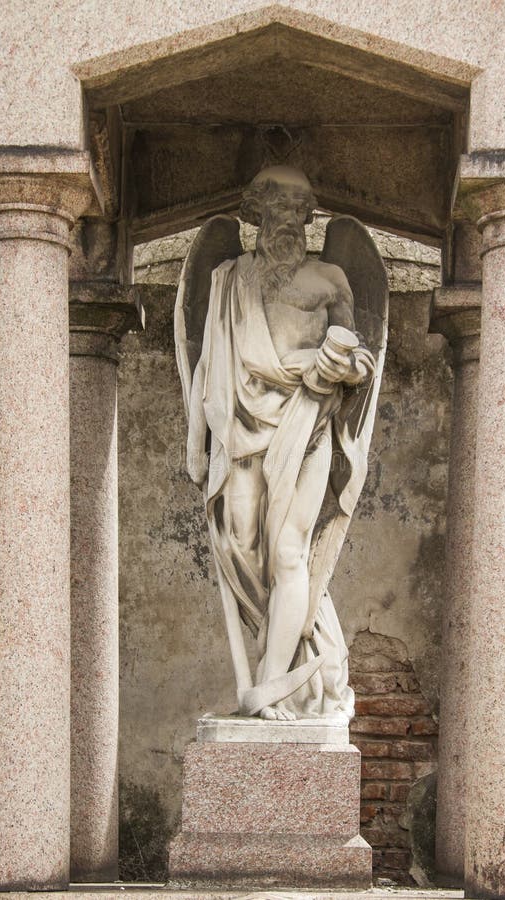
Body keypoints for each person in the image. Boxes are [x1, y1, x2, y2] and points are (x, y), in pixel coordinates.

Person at [186, 166, 377, 720]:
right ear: (257, 212)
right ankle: (305, 656)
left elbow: (359, 358)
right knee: (239, 543)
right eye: (279, 205)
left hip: (309, 421)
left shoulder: (330, 279)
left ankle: (270, 688)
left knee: (290, 553)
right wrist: (194, 443)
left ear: (310, 215)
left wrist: (348, 363)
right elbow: (206, 367)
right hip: (241, 426)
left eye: (300, 207)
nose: (290, 217)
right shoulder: (229, 279)